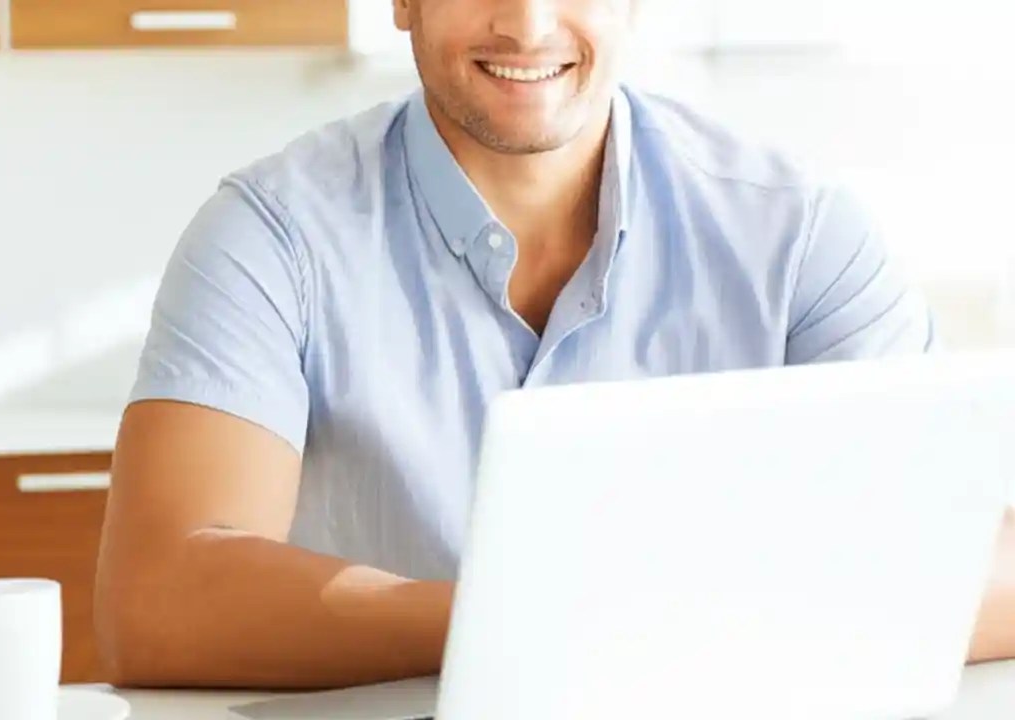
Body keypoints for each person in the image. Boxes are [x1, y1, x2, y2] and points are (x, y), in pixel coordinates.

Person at [95, 0, 1015, 688]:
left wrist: (649, 631)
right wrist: (534, 623)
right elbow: (160, 597)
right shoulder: (270, 235)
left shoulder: (800, 234)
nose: (528, 25)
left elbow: (972, 557)